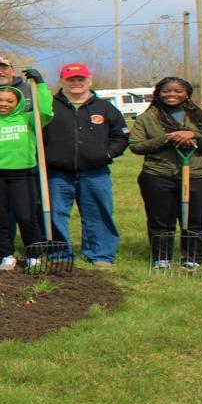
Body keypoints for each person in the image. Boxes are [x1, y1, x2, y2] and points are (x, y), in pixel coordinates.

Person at [127, 76, 202, 270]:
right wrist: (168, 138)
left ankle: (193, 258)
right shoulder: (147, 117)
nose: (172, 94)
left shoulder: (200, 117)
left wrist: (194, 135)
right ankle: (161, 258)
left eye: (178, 91)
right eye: (166, 91)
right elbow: (136, 146)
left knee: (196, 220)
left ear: (187, 94)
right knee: (161, 220)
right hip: (158, 175)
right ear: (158, 93)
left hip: (197, 175)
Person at [41, 63, 128, 269]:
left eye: (81, 79)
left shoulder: (105, 108)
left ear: (90, 80)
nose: (76, 83)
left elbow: (121, 135)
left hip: (95, 172)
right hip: (57, 173)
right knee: (55, 214)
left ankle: (100, 254)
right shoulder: (49, 107)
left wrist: (108, 153)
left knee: (98, 212)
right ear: (62, 81)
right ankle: (60, 254)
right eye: (71, 79)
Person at [0, 84, 54, 269]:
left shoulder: (29, 120)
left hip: (23, 174)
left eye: (9, 101)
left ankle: (33, 256)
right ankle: (5, 255)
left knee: (26, 216)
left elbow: (46, 111)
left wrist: (40, 85)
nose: (3, 104)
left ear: (18, 103)